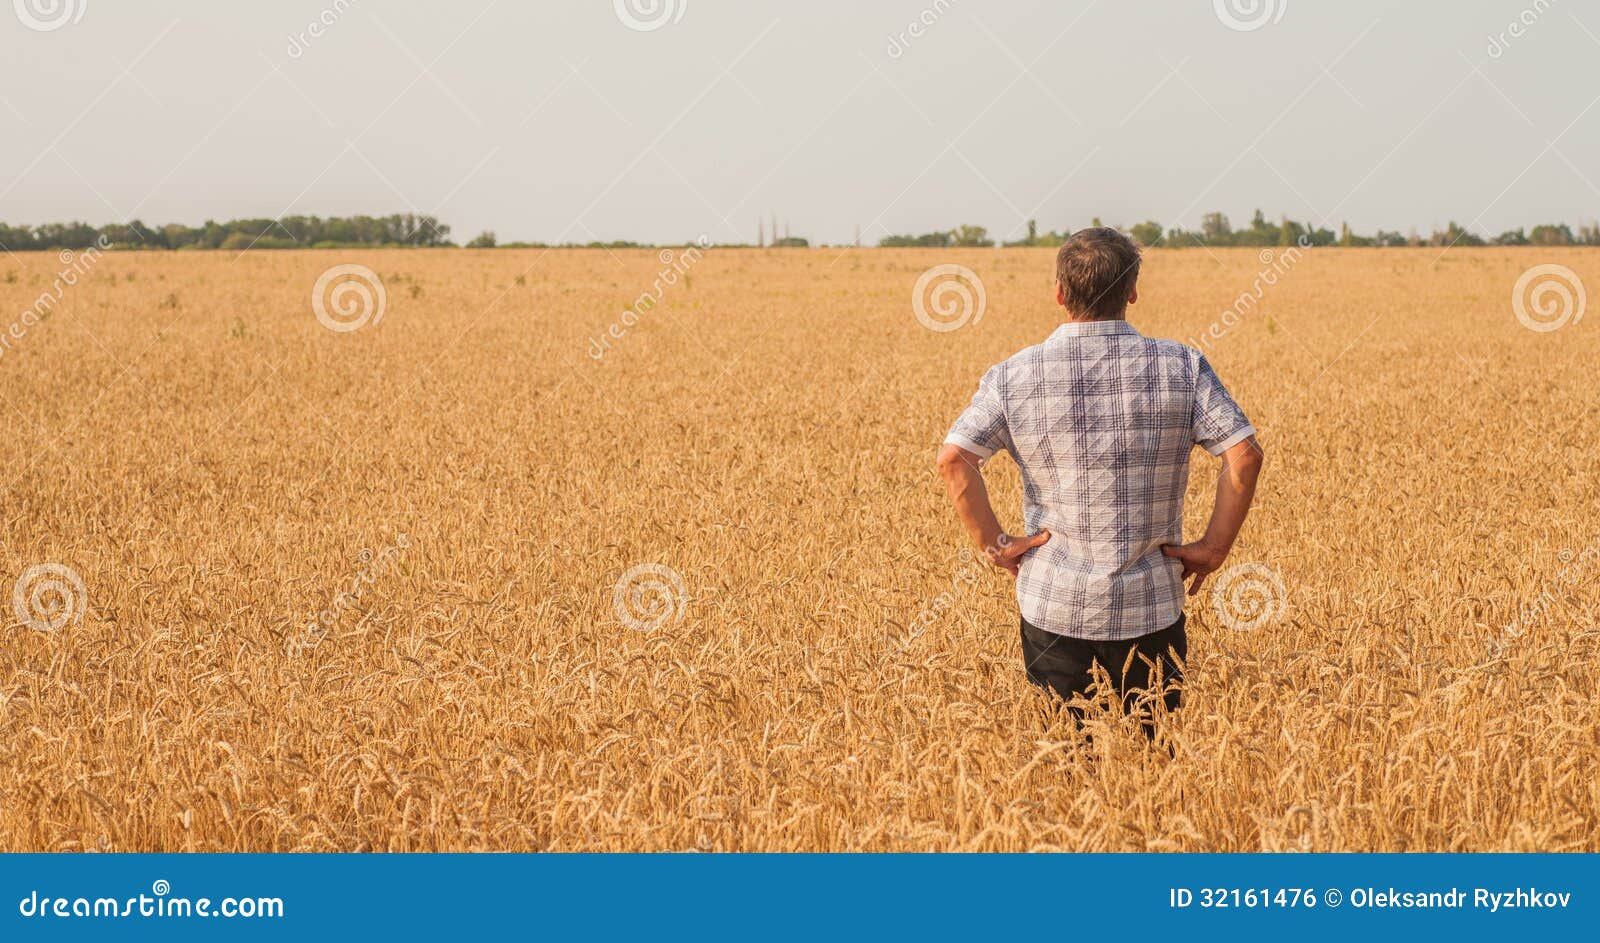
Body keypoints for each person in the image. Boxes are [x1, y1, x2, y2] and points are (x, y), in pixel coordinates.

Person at [935, 227, 1263, 733]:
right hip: (1151, 606)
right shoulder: (1183, 366)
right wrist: (1214, 549)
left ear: (1061, 293)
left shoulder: (1013, 375)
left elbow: (954, 460)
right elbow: (1243, 454)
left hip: (1054, 608)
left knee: (1069, 766)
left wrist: (998, 546)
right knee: (1154, 762)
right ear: (1132, 290)